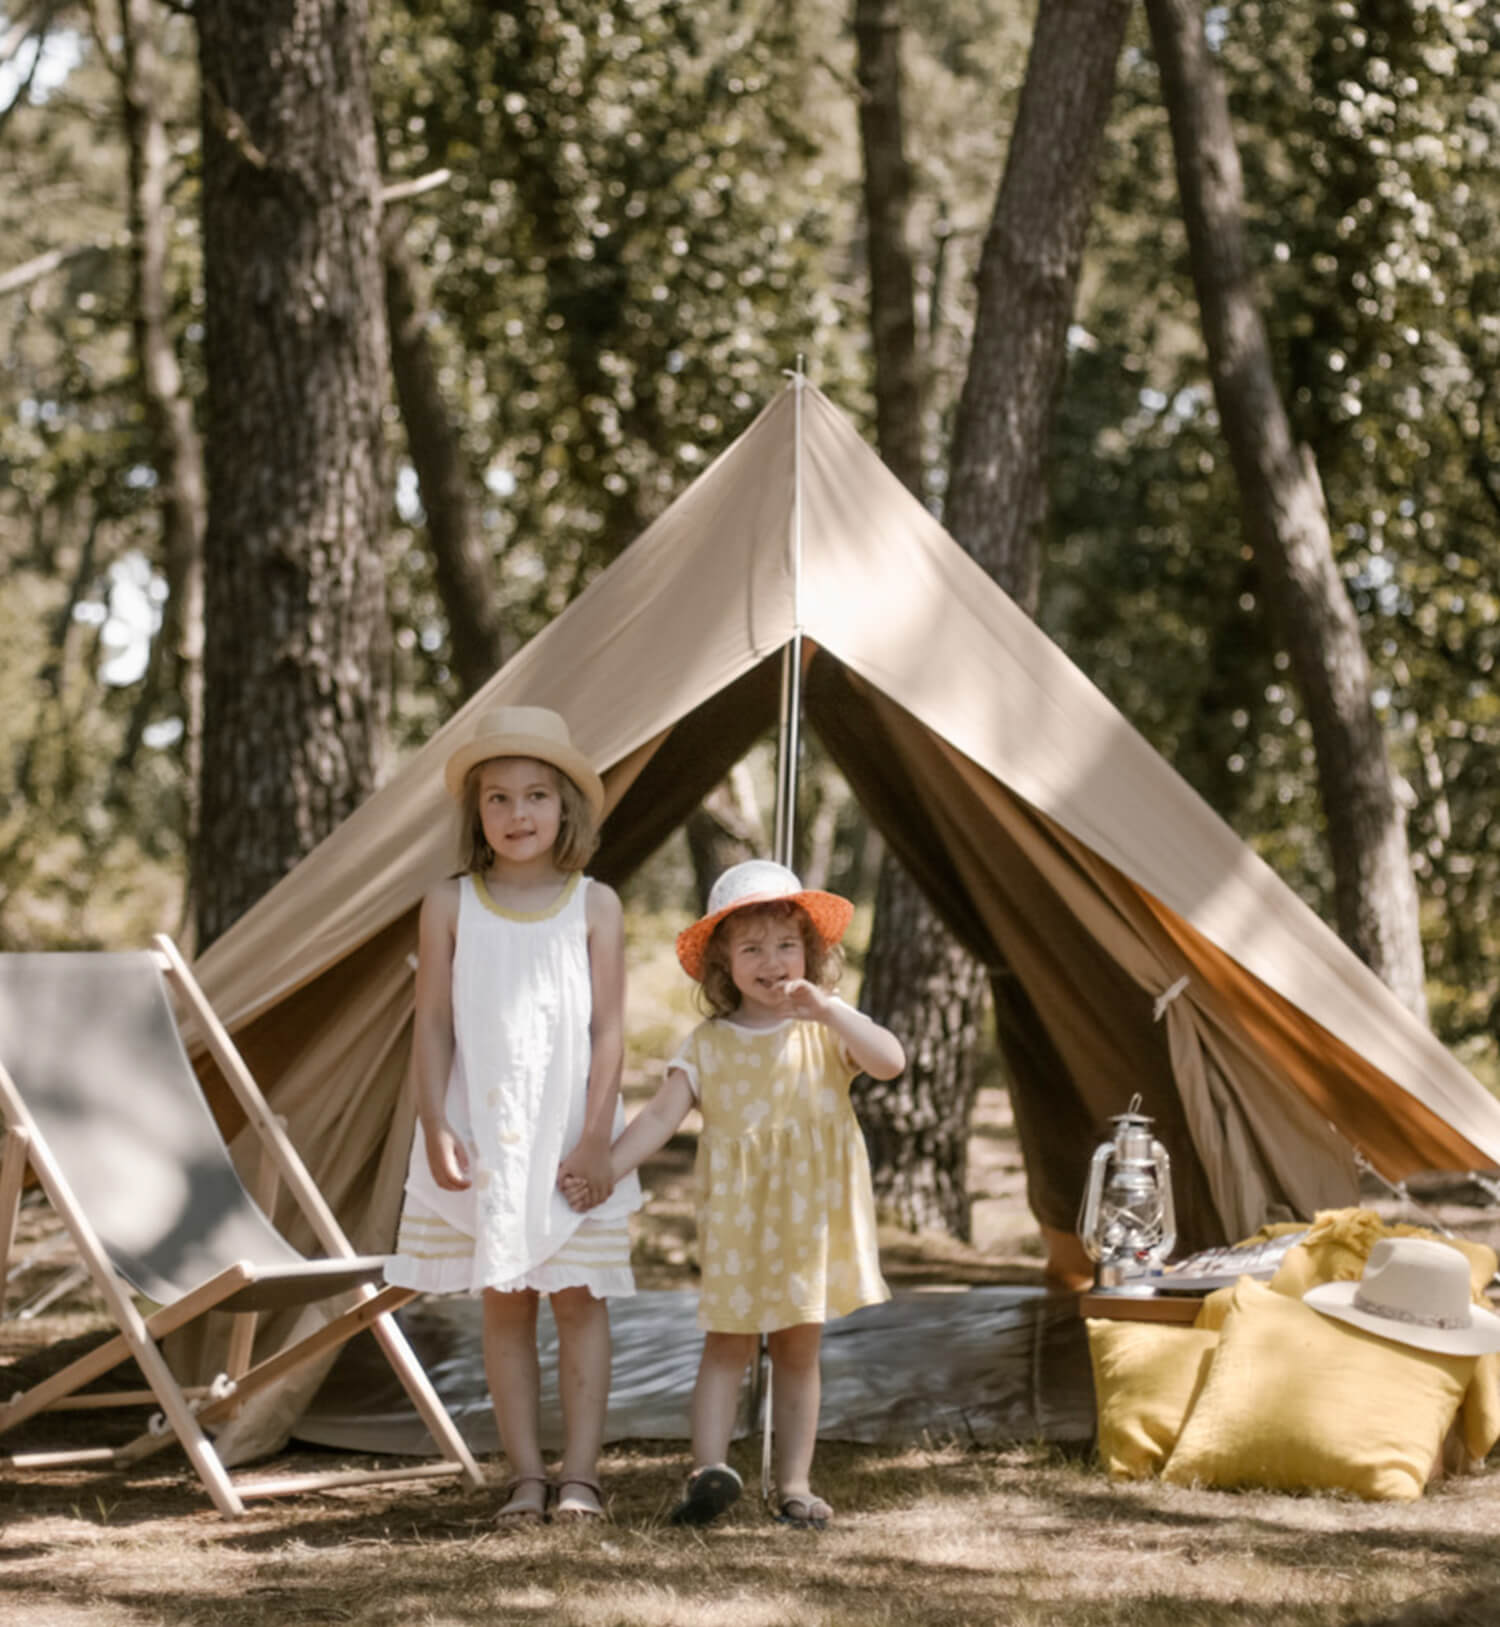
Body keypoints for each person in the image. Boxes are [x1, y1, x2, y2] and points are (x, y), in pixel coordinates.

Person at [568, 858, 904, 1530]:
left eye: (786, 945)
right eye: (751, 948)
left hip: (809, 1220)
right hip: (741, 1222)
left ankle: (795, 1484)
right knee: (727, 1343)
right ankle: (708, 1471)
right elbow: (661, 1117)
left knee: (797, 1349)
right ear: (724, 962)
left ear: (811, 952)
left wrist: (832, 1008)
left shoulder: (825, 1032)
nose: (772, 962)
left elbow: (890, 1061)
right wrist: (605, 1163)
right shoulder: (709, 1043)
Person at [385, 704, 641, 1524]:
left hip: (570, 1133)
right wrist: (433, 1124)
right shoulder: (451, 902)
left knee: (577, 1300)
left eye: (536, 795)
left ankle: (582, 1475)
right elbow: (431, 1023)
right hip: (483, 1127)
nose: (518, 813)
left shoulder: (594, 904)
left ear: (566, 806)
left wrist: (600, 1137)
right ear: (477, 812)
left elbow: (610, 1029)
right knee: (505, 1303)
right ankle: (526, 1475)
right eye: (498, 798)